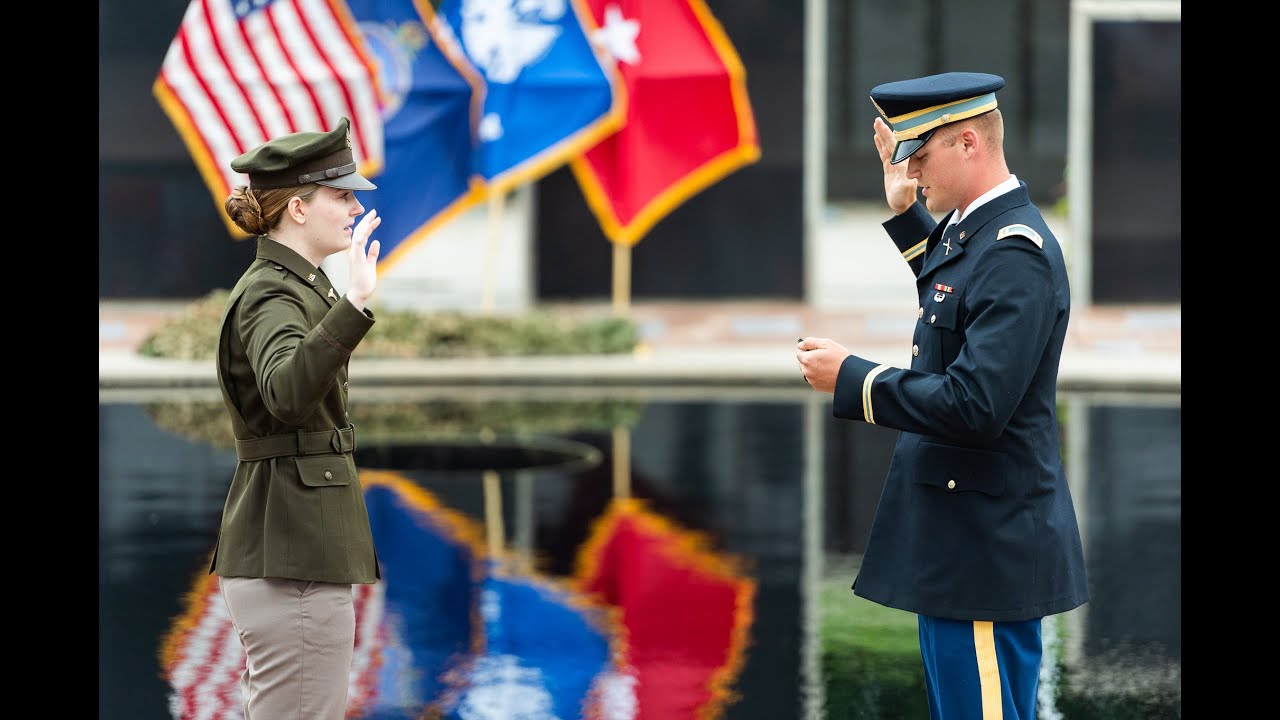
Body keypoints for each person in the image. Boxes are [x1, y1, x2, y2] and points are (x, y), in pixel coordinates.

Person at [796, 72, 1088, 719]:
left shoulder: (1017, 251)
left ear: (967, 144)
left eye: (920, 157)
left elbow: (974, 405)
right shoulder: (977, 233)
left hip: (986, 549)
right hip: (964, 544)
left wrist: (855, 378)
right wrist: (907, 215)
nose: (913, 171)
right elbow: (950, 298)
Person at [211, 116, 383, 720]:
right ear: (299, 210)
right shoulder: (271, 293)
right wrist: (356, 304)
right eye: (341, 195)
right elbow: (286, 391)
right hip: (292, 562)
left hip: (294, 553)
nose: (354, 206)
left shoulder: (297, 286)